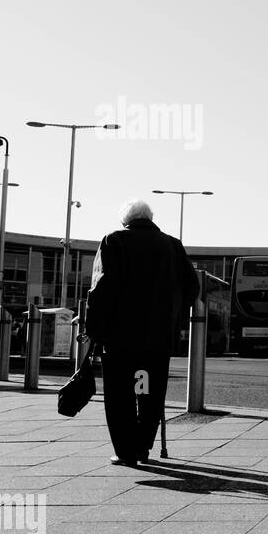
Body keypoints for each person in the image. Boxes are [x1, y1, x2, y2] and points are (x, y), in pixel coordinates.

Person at [85, 199, 200, 466]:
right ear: (150, 218)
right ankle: (142, 447)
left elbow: (101, 288)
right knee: (147, 391)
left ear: (125, 221)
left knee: (120, 395)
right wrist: (174, 317)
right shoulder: (172, 245)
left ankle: (125, 451)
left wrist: (94, 329)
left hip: (120, 339)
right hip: (156, 340)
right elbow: (191, 287)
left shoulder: (114, 241)